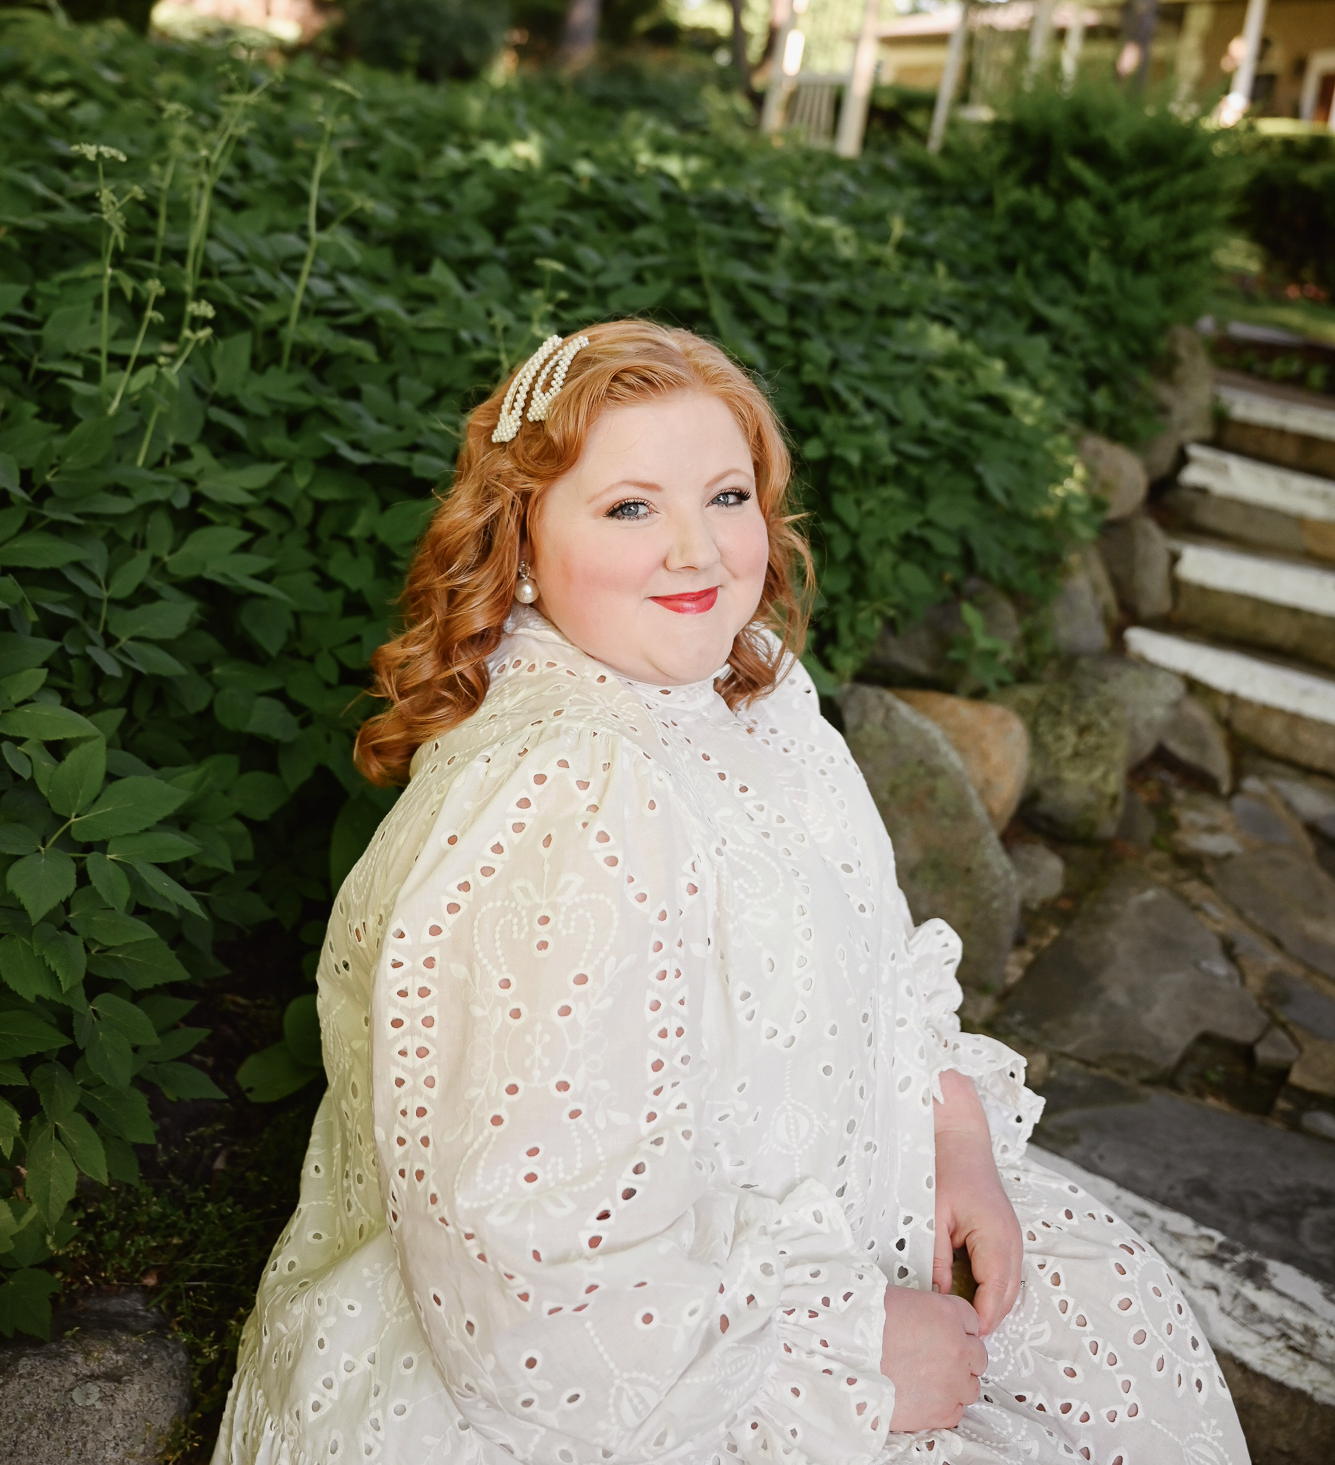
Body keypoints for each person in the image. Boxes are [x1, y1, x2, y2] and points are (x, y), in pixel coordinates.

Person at [214, 321, 1249, 1465]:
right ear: (517, 544)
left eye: (726, 494)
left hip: (826, 1210)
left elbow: (870, 950)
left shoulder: (750, 689)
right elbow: (524, 1251)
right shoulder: (569, 793)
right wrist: (843, 1360)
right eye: (629, 507)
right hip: (636, 1364)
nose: (697, 552)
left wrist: (956, 1128)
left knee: (1112, 1324)